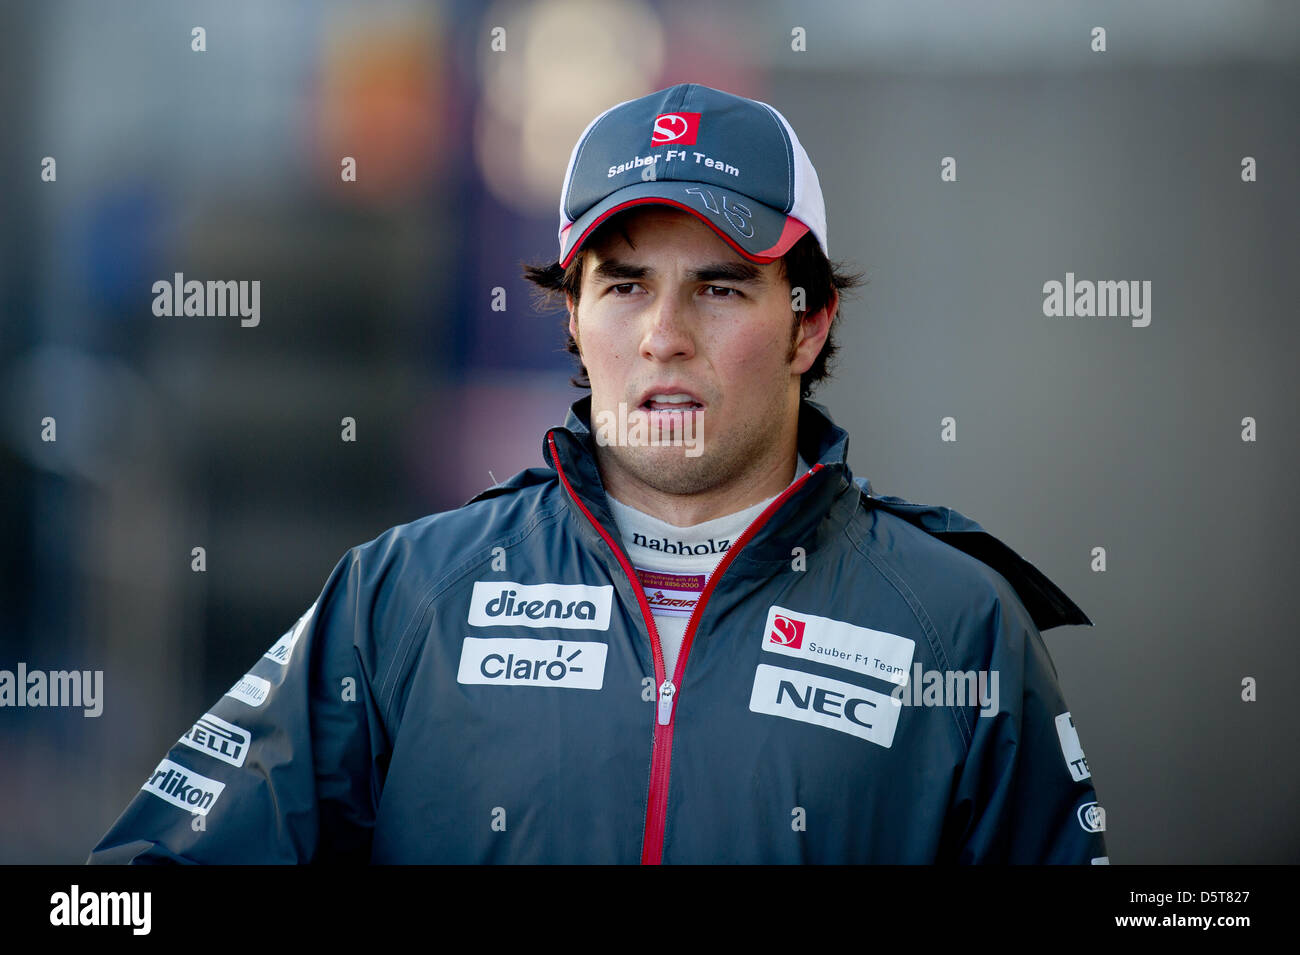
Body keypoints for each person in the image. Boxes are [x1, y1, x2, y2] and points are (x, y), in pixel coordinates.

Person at [88, 82, 1107, 864]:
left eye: (716, 287)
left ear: (808, 322)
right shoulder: (401, 599)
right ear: (573, 319)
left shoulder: (956, 624)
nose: (663, 335)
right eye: (623, 286)